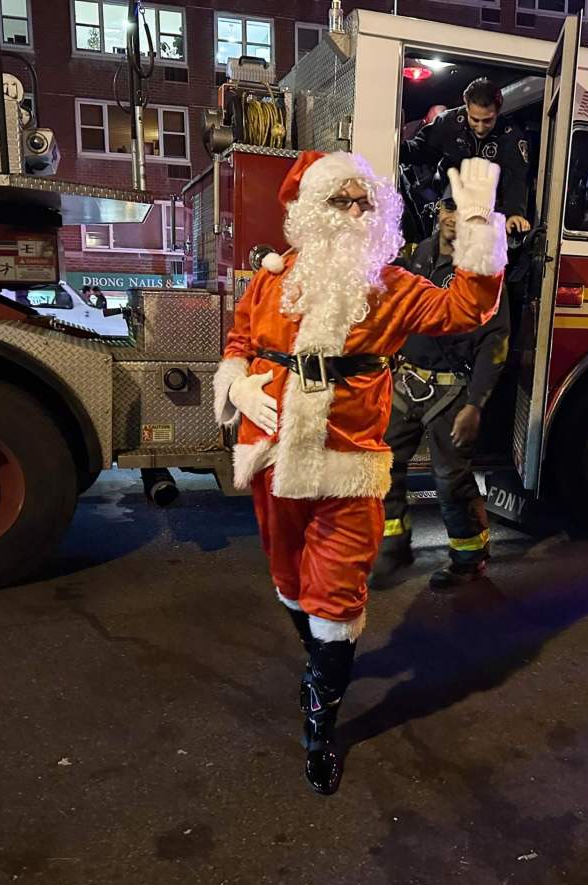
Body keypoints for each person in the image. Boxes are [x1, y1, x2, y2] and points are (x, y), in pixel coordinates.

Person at [212, 151, 506, 794]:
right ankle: (318, 662)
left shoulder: (393, 286)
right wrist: (235, 385)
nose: (351, 213)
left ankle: (321, 723)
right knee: (290, 584)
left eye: (362, 203)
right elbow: (237, 341)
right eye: (338, 202)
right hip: (272, 459)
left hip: (349, 468)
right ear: (310, 211)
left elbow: (467, 311)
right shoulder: (273, 278)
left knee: (338, 600)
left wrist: (480, 223)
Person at [370, 189, 509, 590]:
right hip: (407, 380)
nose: (454, 217)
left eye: (465, 212)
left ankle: (469, 557)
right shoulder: (419, 254)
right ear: (439, 210)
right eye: (449, 207)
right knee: (381, 466)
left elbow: (495, 340)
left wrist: (475, 405)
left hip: (452, 393)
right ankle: (392, 545)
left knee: (450, 478)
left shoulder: (484, 269)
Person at [401, 77, 532, 236]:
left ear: (498, 111)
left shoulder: (512, 136)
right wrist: (396, 148)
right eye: (475, 119)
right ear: (466, 106)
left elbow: (517, 179)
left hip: (488, 216)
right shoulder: (447, 123)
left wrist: (514, 214)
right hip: (451, 210)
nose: (480, 127)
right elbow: (421, 150)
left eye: (487, 120)